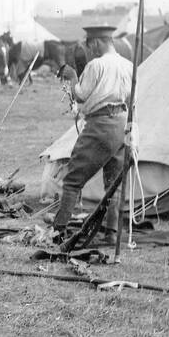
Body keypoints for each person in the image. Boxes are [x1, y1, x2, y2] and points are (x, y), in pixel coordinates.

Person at [51, 25, 133, 236]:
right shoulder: (128, 65)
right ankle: (110, 232)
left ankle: (58, 231)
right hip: (122, 124)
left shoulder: (96, 65)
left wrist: (72, 77)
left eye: (90, 46)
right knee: (113, 183)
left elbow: (80, 95)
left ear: (96, 42)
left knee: (72, 181)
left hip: (100, 126)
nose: (91, 51)